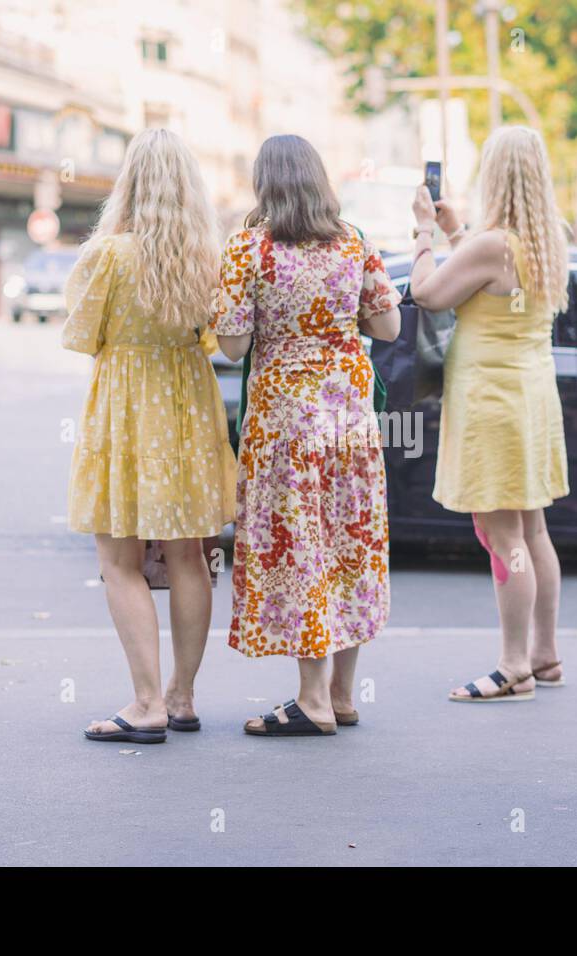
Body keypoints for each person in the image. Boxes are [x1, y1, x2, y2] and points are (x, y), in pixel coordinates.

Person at [213, 134, 400, 737]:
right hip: (347, 413)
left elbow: (235, 344)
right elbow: (390, 325)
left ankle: (311, 700)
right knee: (347, 538)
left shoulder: (249, 248)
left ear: (265, 183)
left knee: (301, 544)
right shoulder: (353, 242)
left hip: (287, 417)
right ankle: (341, 695)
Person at [64, 128, 237, 745]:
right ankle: (182, 697)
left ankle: (145, 703)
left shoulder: (107, 256)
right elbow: (218, 342)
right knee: (190, 556)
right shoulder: (209, 260)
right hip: (189, 406)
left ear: (129, 184)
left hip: (125, 413)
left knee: (120, 561)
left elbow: (81, 336)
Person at [406, 126, 569, 702]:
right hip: (530, 397)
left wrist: (425, 232)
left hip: (490, 403)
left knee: (503, 538)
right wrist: (456, 231)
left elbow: (427, 293)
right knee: (533, 531)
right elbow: (488, 280)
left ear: (493, 177)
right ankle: (544, 655)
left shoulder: (492, 244)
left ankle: (512, 665)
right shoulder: (545, 242)